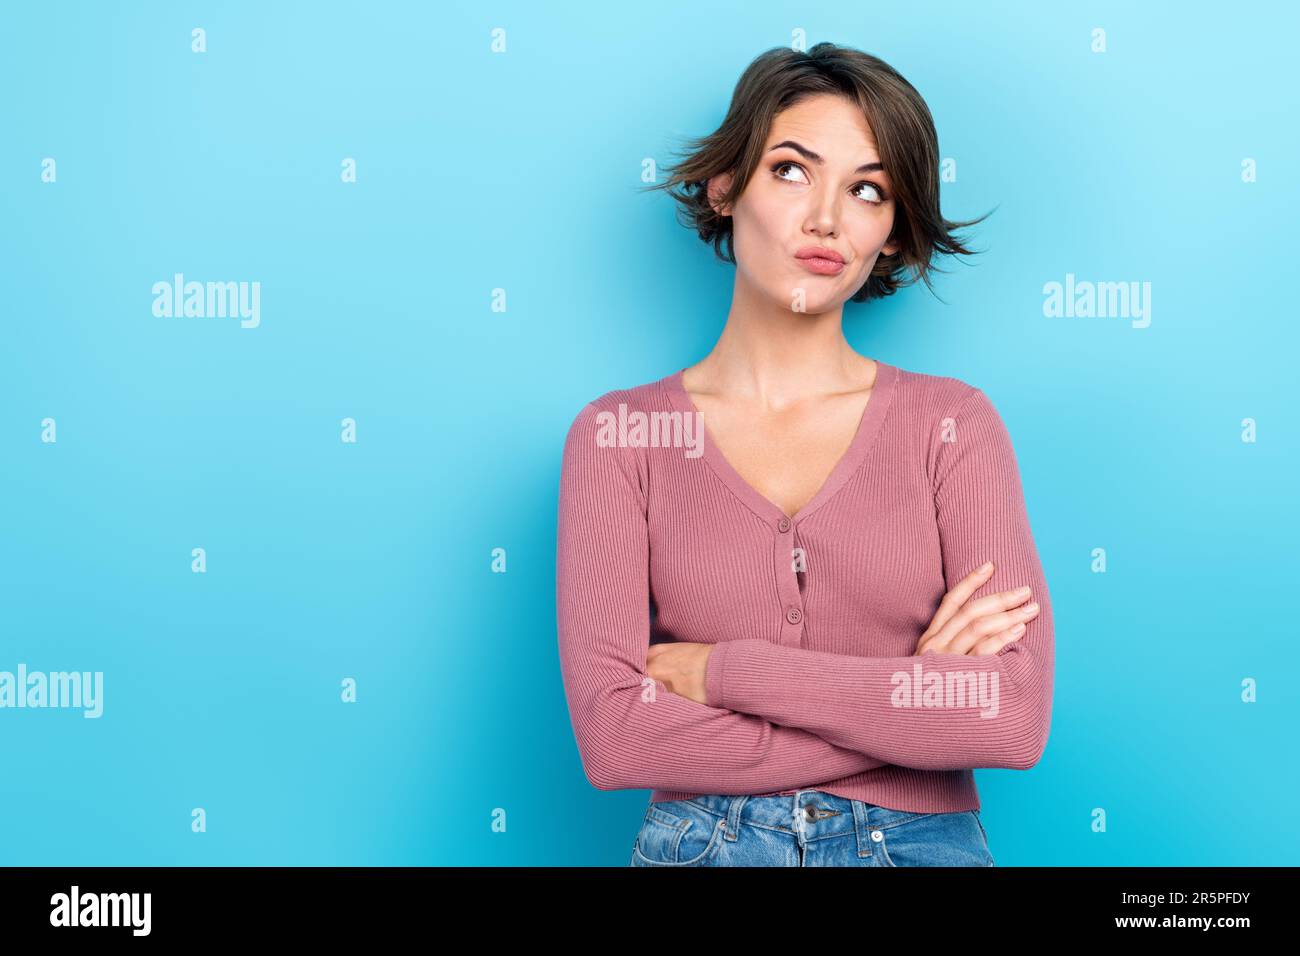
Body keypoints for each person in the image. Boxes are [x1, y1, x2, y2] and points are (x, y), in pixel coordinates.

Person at [555, 42, 1053, 867]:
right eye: (792, 171)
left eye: (867, 190)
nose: (827, 217)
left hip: (920, 847)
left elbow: (1012, 718)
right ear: (725, 187)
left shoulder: (953, 425)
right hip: (703, 847)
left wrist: (724, 673)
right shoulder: (621, 435)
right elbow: (616, 739)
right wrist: (908, 701)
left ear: (891, 233)